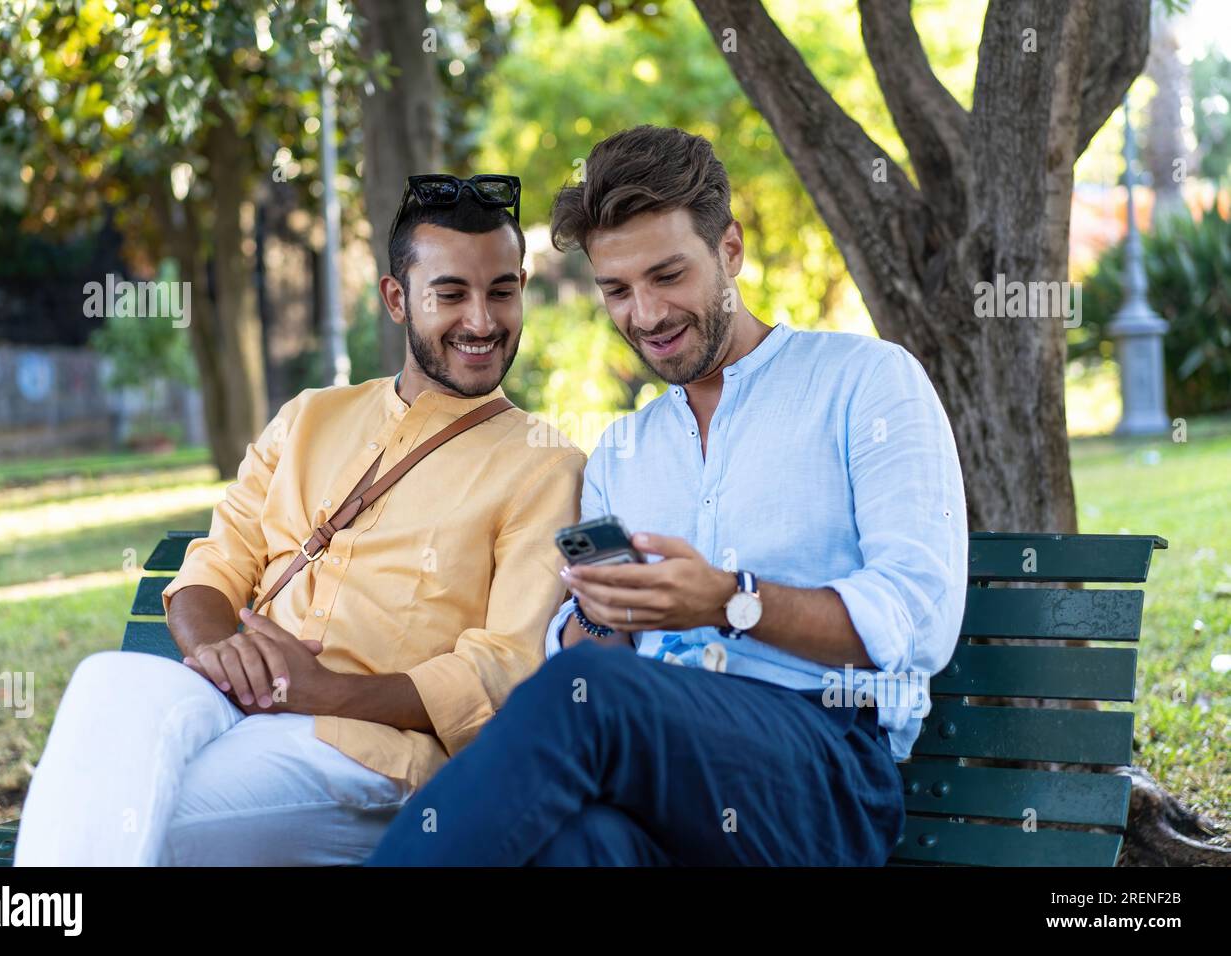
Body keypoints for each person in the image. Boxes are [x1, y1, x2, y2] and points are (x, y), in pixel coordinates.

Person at [368, 126, 968, 867]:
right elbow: (591, 647)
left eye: (668, 276)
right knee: (581, 846)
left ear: (731, 251)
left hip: (824, 771)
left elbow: (919, 621)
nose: (645, 314)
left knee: (592, 693)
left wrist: (728, 600)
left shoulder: (865, 382)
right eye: (617, 290)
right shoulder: (623, 450)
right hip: (658, 782)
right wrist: (603, 611)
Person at [14, 174, 584, 865]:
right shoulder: (311, 417)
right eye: (451, 293)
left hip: (366, 756)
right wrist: (219, 652)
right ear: (397, 299)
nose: (482, 321)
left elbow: (505, 670)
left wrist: (321, 691)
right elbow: (217, 563)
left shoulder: (543, 465)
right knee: (109, 679)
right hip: (232, 703)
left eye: (501, 291)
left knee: (133, 818)